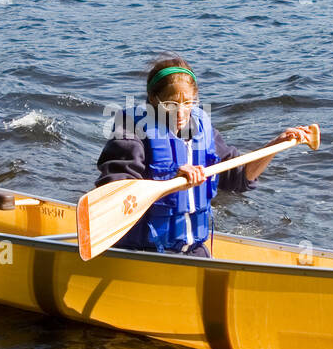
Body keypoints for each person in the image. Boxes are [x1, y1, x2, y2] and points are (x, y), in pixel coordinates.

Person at [95, 55, 308, 257]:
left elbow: (240, 177)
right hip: (142, 251)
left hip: (194, 249)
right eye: (171, 104)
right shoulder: (132, 133)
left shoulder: (202, 129)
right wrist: (174, 179)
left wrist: (276, 145)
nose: (181, 113)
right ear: (153, 98)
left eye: (188, 103)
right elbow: (115, 192)